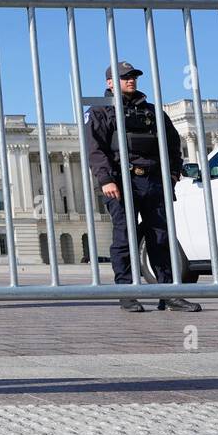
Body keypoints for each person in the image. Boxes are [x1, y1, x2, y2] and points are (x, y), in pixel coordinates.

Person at [84, 60, 200, 312]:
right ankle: (127, 292)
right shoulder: (100, 111)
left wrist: (171, 174)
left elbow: (172, 143)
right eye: (125, 77)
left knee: (160, 237)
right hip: (121, 182)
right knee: (125, 237)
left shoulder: (151, 110)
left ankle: (168, 293)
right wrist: (106, 179)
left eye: (134, 76)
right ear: (110, 83)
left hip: (153, 181)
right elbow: (95, 149)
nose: (131, 80)